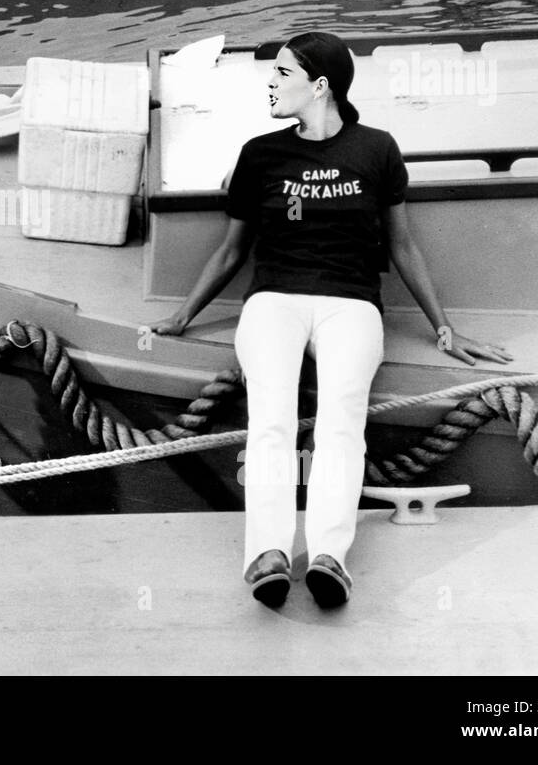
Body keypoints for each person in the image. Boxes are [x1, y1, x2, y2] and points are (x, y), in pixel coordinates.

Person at [152, 31, 511, 608]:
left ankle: (328, 557)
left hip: (351, 303)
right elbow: (231, 250)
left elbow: (403, 247)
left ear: (320, 87)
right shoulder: (261, 154)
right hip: (274, 300)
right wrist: (181, 315)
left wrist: (445, 327)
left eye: (283, 74)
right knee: (272, 416)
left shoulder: (377, 149)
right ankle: (266, 554)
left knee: (342, 419)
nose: (271, 84)